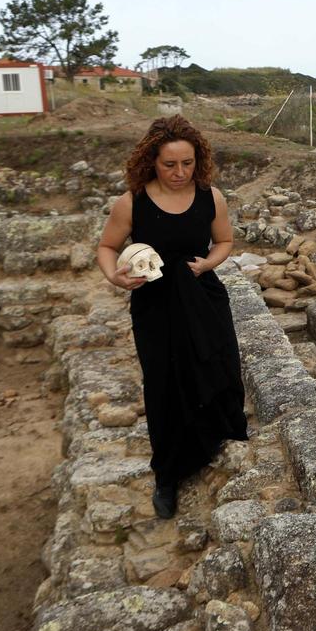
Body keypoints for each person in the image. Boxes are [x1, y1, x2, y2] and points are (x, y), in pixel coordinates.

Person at [96, 116, 248, 518]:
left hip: (203, 298)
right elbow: (107, 247)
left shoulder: (211, 197)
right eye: (170, 164)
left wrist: (207, 264)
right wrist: (114, 276)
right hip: (155, 305)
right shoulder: (132, 203)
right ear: (152, 161)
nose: (180, 172)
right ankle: (167, 475)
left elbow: (224, 240)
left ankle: (222, 438)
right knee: (163, 384)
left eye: (188, 163)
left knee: (219, 366)